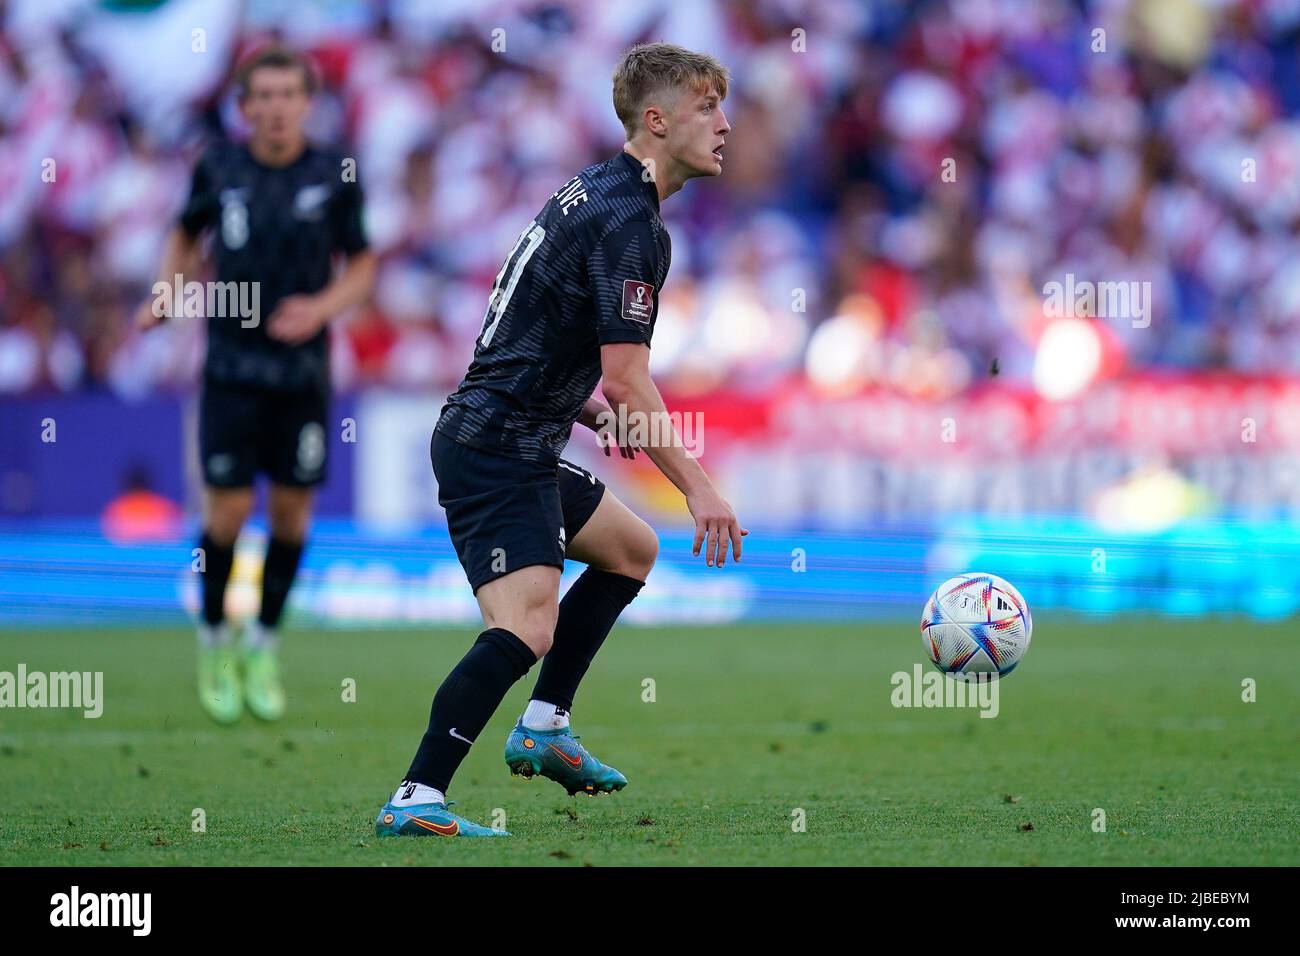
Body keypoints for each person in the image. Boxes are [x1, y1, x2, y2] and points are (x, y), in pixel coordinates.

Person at [375, 43, 744, 838]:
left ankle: (545, 726)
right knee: (522, 627)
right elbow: (628, 380)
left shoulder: (595, 195)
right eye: (708, 107)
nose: (725, 124)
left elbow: (531, 332)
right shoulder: (630, 222)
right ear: (657, 121)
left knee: (630, 550)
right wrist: (699, 486)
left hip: (517, 435)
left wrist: (583, 411)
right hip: (496, 446)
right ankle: (417, 797)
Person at [137, 46, 376, 724]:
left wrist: (322, 309)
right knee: (227, 514)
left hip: (302, 375)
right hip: (231, 368)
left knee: (294, 514)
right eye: (261, 96)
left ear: (306, 102)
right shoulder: (220, 165)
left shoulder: (336, 173)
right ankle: (215, 638)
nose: (274, 107)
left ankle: (263, 643)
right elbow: (184, 236)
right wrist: (165, 292)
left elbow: (362, 263)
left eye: (286, 94)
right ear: (244, 108)